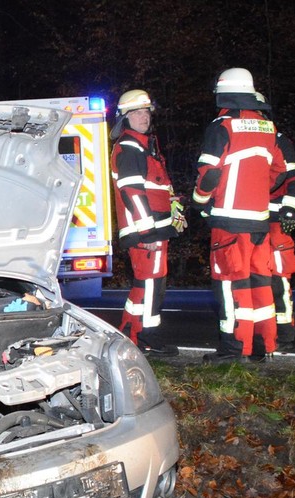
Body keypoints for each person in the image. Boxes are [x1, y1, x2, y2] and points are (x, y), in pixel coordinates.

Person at [192, 68, 289, 363]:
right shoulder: (267, 127)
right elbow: (280, 172)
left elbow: (209, 175)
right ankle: (263, 344)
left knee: (231, 284)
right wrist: (255, 190)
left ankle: (234, 349)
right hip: (260, 221)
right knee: (259, 283)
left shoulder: (222, 127)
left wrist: (199, 202)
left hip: (228, 221)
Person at [109, 89, 183, 356]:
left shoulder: (144, 146)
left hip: (154, 229)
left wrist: (174, 209)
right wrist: (148, 232)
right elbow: (133, 193)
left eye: (146, 112)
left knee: (145, 284)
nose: (144, 117)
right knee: (152, 285)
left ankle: (131, 333)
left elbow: (156, 189)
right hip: (146, 233)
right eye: (137, 113)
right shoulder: (130, 148)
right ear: (124, 118)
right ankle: (148, 337)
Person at [265, 105, 295, 351]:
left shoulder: (278, 141)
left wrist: (289, 210)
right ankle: (263, 333)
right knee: (255, 279)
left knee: (278, 278)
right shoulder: (240, 139)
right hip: (249, 221)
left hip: (275, 222)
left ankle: (284, 333)